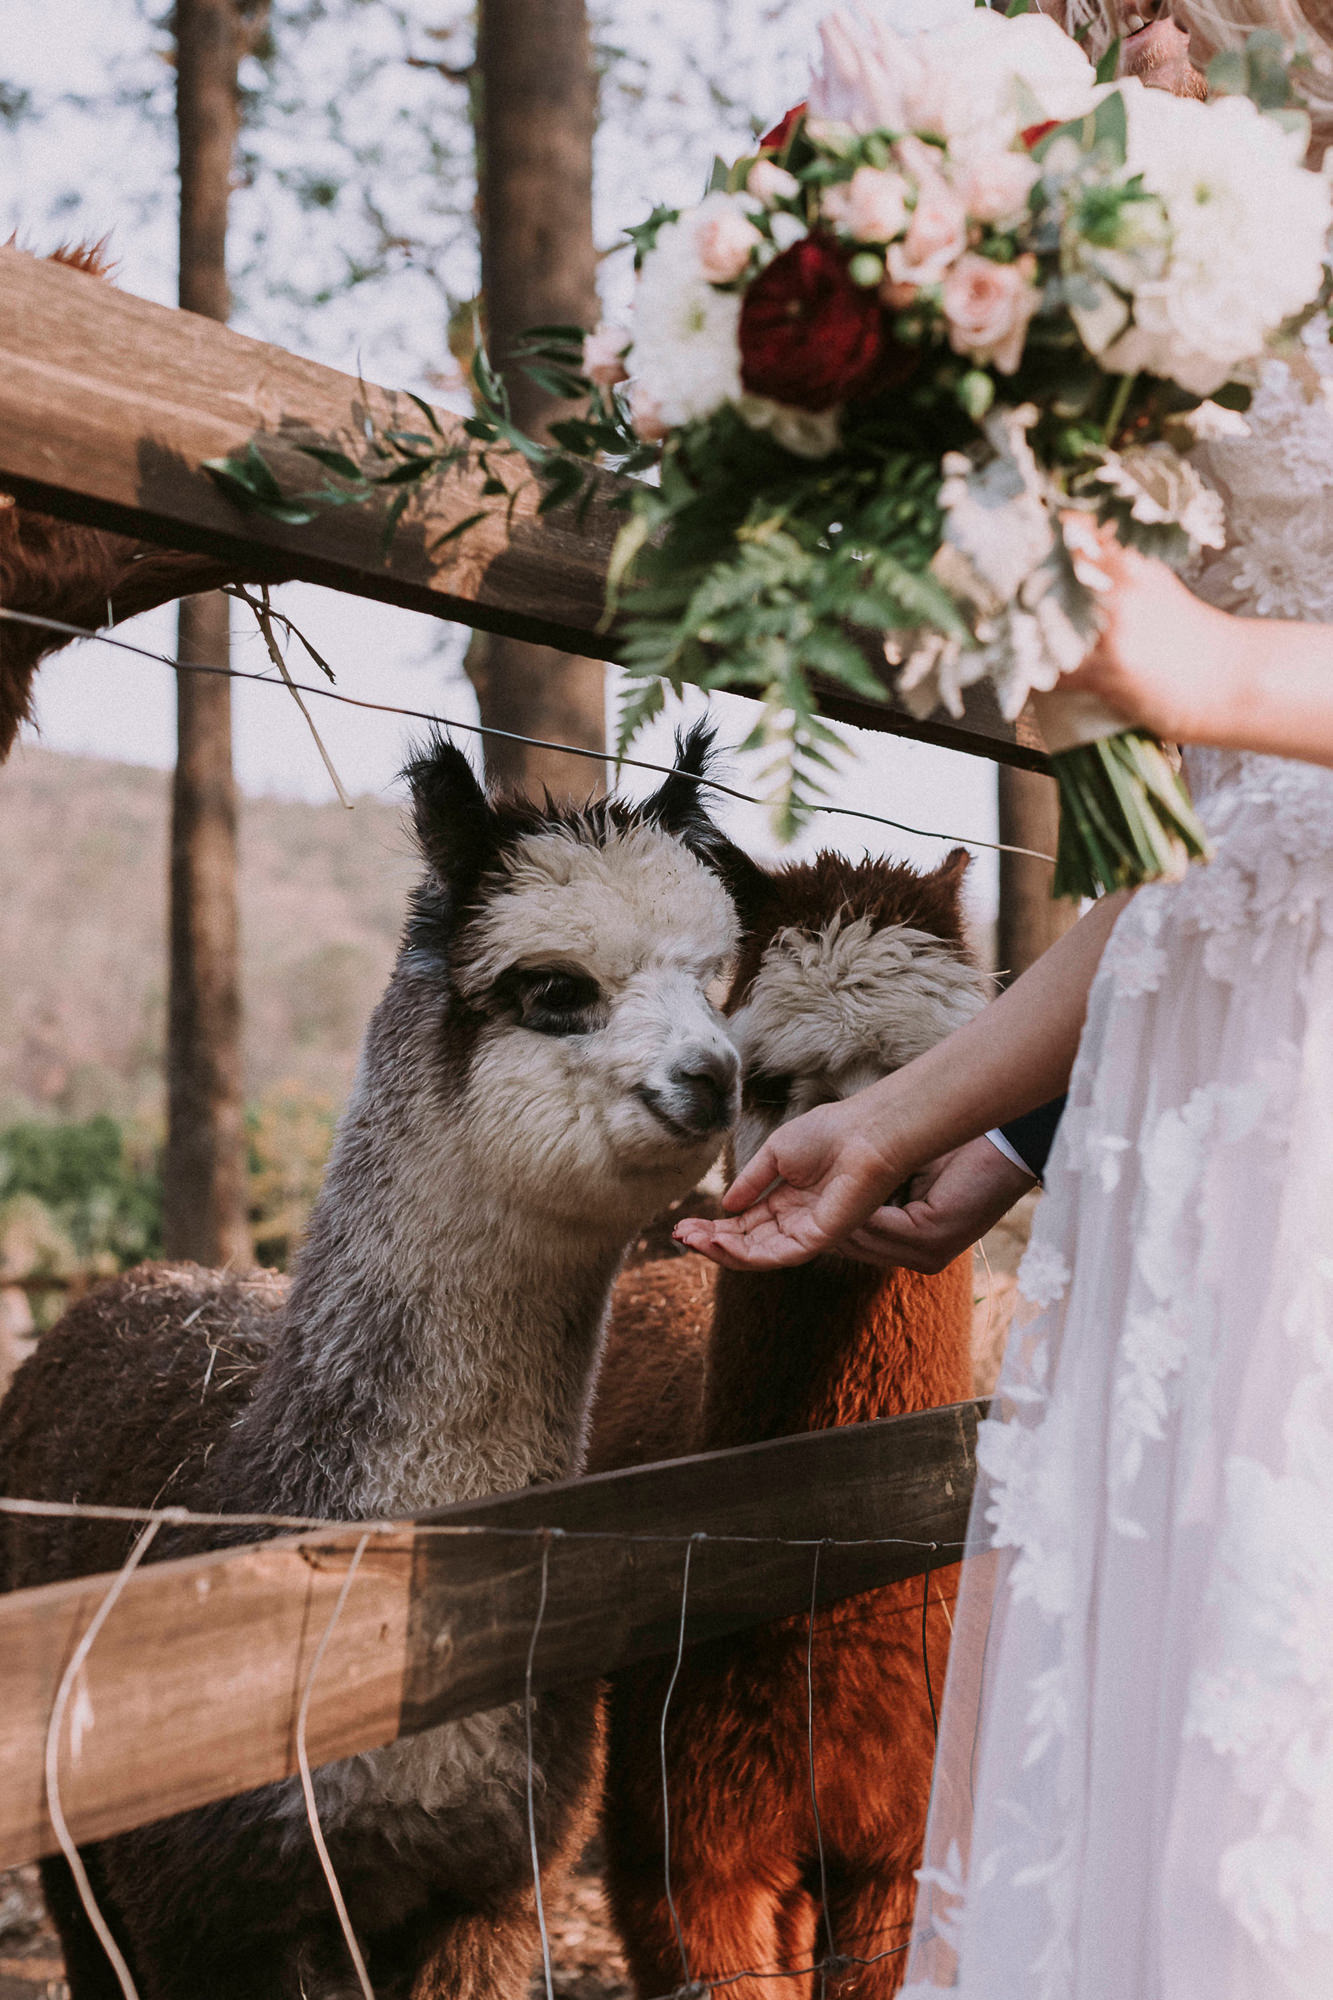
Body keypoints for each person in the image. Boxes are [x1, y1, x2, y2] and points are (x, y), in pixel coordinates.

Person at [676, 4, 1333, 1994]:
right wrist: (916, 1117)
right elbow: (1221, 865)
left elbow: (1228, 702)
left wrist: (1210, 666)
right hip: (1210, 1134)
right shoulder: (1153, 198)